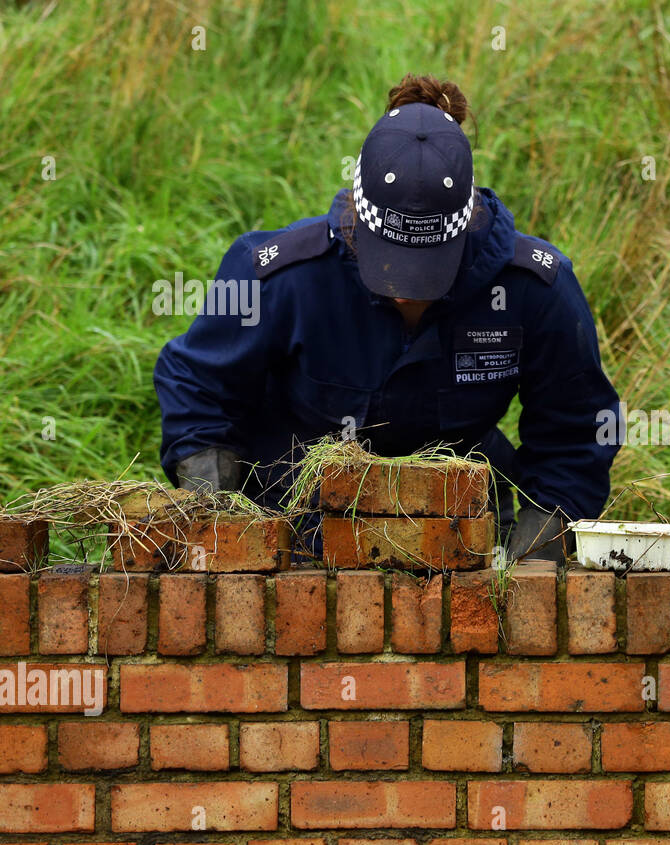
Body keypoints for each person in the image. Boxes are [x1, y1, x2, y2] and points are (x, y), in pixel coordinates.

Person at [154, 75, 621, 561]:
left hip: (461, 519)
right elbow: (197, 386)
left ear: (467, 227)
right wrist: (222, 522)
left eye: (428, 271)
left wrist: (532, 562)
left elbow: (576, 430)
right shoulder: (279, 276)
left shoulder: (534, 288)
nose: (406, 294)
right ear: (358, 219)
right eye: (390, 266)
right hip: (292, 511)